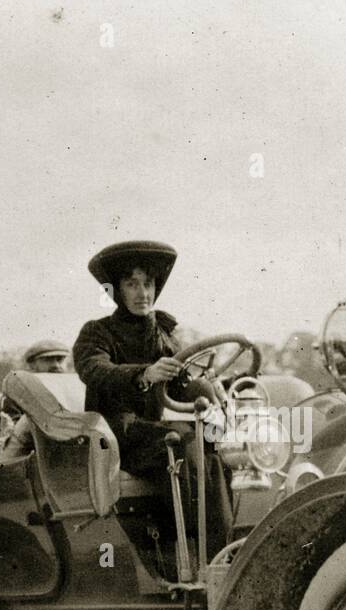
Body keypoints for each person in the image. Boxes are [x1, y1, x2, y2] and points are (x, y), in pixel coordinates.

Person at [72, 240, 233, 566]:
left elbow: (181, 380)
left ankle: (219, 556)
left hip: (150, 430)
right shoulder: (97, 332)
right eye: (132, 284)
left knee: (211, 452)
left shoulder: (162, 334)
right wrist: (145, 372)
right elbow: (94, 370)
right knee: (178, 445)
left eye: (148, 284)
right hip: (114, 433)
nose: (142, 292)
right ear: (116, 290)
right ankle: (184, 556)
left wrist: (209, 389)